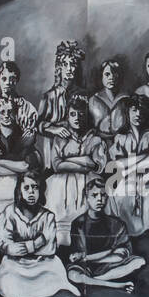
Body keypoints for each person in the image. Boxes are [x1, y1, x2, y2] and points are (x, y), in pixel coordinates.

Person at [0, 171, 80, 297]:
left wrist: (25, 248)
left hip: (42, 264)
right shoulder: (9, 213)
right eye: (26, 188)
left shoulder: (48, 216)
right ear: (19, 191)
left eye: (35, 188)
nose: (31, 192)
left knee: (55, 274)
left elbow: (49, 249)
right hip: (16, 264)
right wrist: (35, 244)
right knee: (7, 280)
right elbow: (4, 242)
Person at [46, 96, 108, 246]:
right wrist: (84, 160)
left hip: (86, 181)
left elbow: (98, 165)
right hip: (62, 182)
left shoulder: (95, 139)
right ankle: (62, 244)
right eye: (73, 114)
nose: (77, 119)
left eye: (81, 115)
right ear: (67, 116)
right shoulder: (61, 138)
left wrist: (70, 160)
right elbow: (57, 165)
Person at [68, 176, 145, 292]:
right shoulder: (78, 224)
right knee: (73, 274)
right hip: (87, 267)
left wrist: (86, 257)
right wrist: (108, 252)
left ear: (107, 197)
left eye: (103, 195)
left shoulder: (117, 224)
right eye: (94, 195)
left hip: (109, 266)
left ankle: (95, 281)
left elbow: (121, 255)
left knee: (139, 262)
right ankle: (115, 285)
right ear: (86, 198)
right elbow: (77, 258)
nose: (99, 199)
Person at [107, 96, 149, 236]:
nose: (138, 115)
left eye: (141, 111)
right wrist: (143, 157)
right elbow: (118, 164)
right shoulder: (121, 137)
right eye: (134, 111)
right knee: (122, 195)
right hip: (127, 176)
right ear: (127, 112)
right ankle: (131, 234)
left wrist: (132, 168)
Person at [0, 96, 41, 230]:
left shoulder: (25, 137)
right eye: (2, 112)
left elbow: (26, 165)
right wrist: (16, 167)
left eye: (10, 112)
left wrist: (0, 161)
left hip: (17, 192)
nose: (6, 115)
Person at [37, 40, 89, 162]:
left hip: (78, 148)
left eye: (73, 64)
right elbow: (37, 125)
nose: (70, 69)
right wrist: (54, 129)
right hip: (53, 148)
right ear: (59, 67)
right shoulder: (49, 96)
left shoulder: (84, 95)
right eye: (66, 65)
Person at [0, 60, 39, 132]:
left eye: (12, 79)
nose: (8, 83)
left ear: (17, 80)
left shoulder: (27, 107)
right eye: (4, 79)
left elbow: (32, 130)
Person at [88, 58, 127, 138]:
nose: (111, 77)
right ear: (101, 76)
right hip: (98, 141)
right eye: (107, 74)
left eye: (114, 73)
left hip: (121, 141)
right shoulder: (93, 100)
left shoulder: (126, 99)